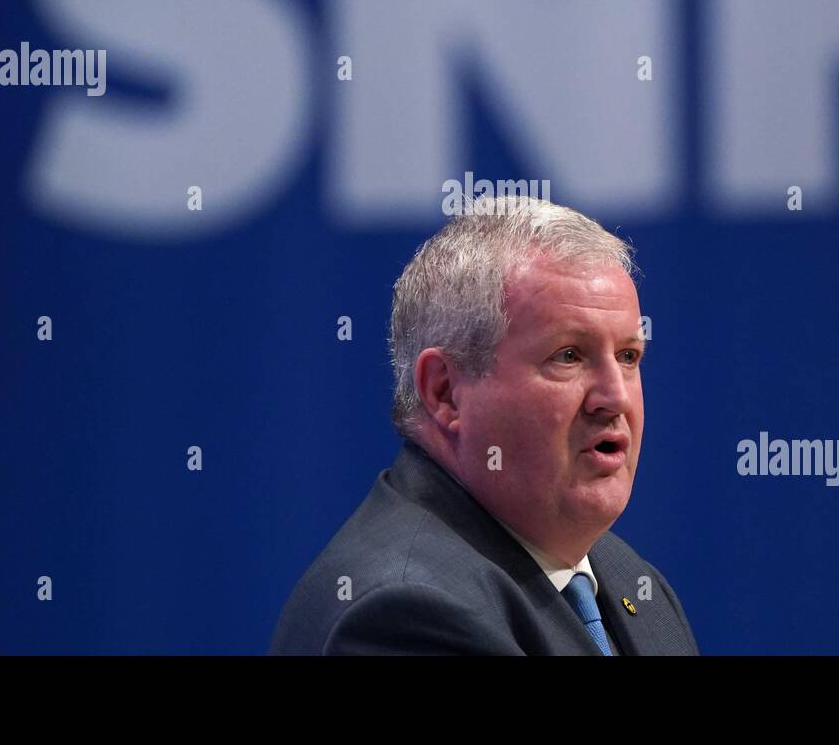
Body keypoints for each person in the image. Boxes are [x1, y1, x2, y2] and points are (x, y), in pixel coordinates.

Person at [269, 195, 698, 655]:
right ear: (445, 392)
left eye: (628, 356)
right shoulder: (405, 613)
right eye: (569, 356)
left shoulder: (632, 583)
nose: (615, 397)